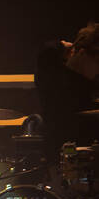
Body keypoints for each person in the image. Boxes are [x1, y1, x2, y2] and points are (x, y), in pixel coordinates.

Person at [35, 20, 99, 155]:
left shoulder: (86, 82)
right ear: (82, 53)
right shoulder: (55, 77)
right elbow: (46, 55)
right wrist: (62, 46)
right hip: (61, 152)